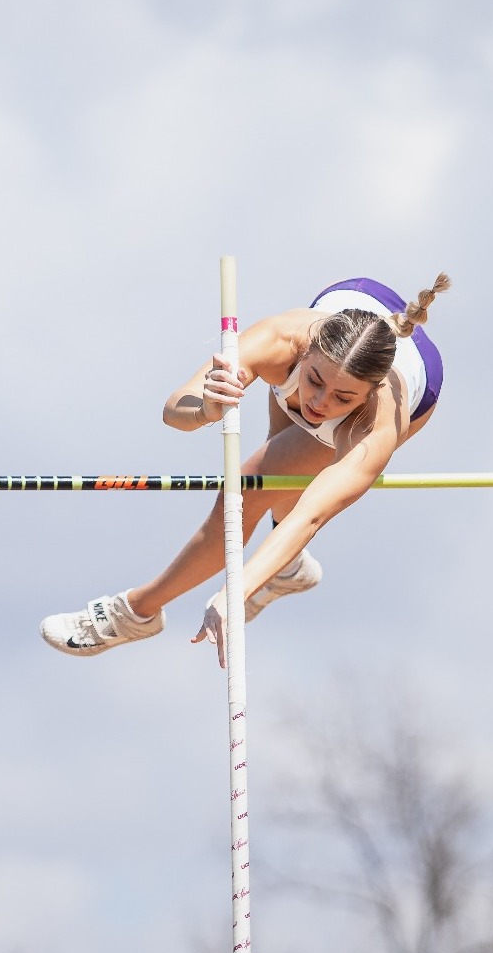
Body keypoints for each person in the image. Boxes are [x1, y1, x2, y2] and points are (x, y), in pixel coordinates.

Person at [40, 274, 450, 664]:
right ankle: (288, 569)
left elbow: (312, 515)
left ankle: (136, 612)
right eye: (314, 380)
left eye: (342, 397)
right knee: (279, 457)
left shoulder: (375, 424)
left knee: (248, 489)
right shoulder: (280, 340)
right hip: (356, 296)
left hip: (419, 383)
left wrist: (237, 592)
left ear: (368, 393)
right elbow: (173, 408)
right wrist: (204, 409)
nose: (322, 403)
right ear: (305, 352)